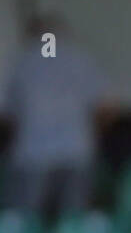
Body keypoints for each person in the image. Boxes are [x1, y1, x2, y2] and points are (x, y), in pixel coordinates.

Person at [1, 15, 114, 221]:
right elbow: (104, 108)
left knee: (26, 222)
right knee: (73, 221)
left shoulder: (21, 62)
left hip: (32, 152)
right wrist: (91, 135)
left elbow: (8, 115)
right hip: (76, 149)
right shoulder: (81, 60)